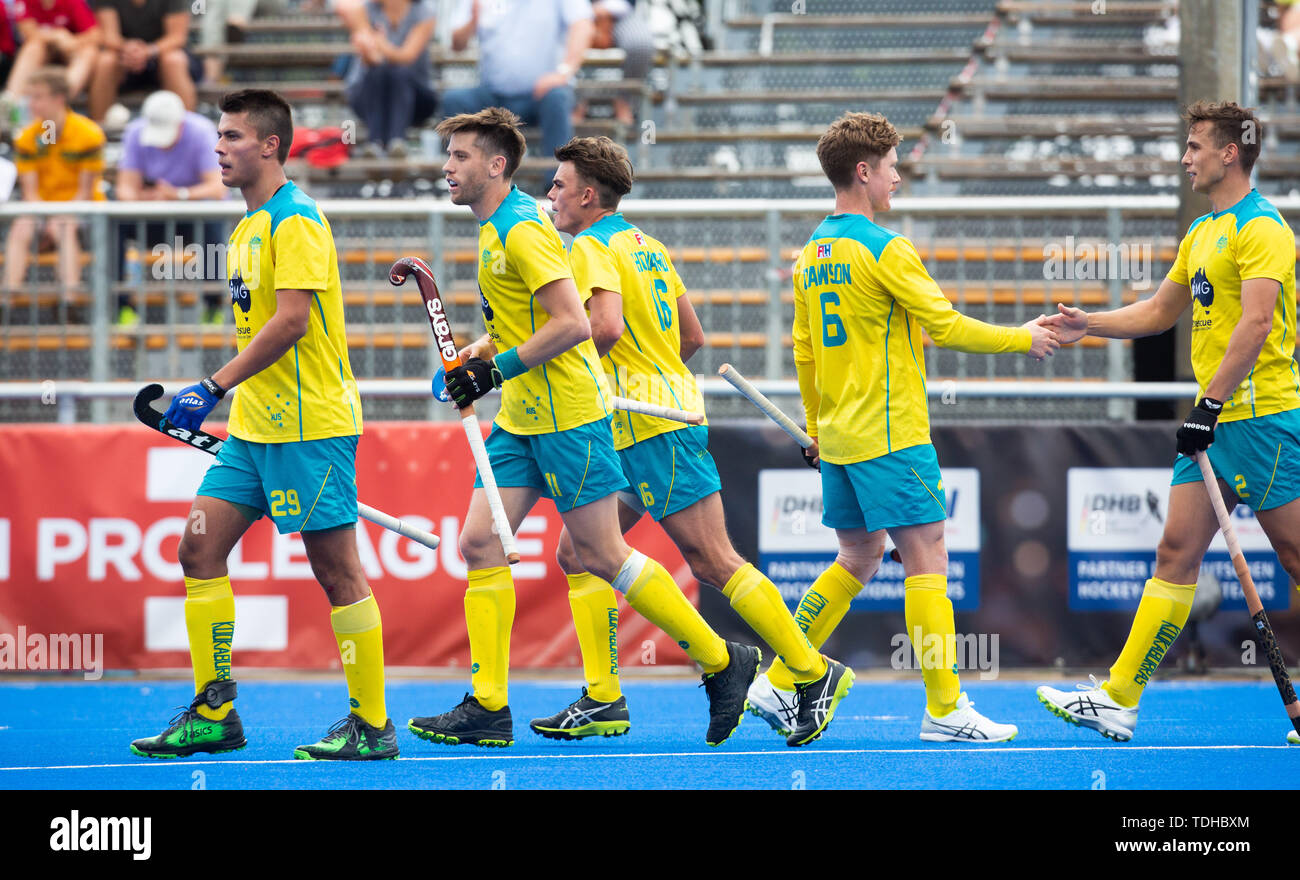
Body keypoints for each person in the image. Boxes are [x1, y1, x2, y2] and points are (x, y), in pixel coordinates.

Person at [407, 108, 759, 749]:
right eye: (448, 156)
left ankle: (720, 660)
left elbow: (573, 323)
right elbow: (524, 321)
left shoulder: (521, 230)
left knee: (601, 554)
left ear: (495, 165)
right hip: (521, 420)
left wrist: (495, 370)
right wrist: (478, 359)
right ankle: (489, 705)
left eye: (459, 157)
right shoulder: (496, 231)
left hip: (570, 418)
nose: (447, 168)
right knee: (480, 544)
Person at [746, 110, 1059, 743]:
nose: (897, 180)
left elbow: (805, 353)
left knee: (858, 556)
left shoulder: (811, 252)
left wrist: (816, 427)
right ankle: (945, 708)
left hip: (838, 436)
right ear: (863, 172)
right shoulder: (886, 248)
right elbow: (946, 325)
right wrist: (1020, 338)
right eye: (891, 168)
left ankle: (781, 676)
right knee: (927, 558)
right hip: (891, 434)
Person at [532, 135, 852, 747]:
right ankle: (603, 696)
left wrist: (583, 379)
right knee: (579, 554)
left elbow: (602, 328)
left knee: (712, 560)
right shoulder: (648, 245)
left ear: (588, 194)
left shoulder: (590, 247)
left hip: (650, 425)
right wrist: (658, 375)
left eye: (557, 185)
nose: (550, 196)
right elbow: (693, 335)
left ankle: (813, 673)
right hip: (644, 420)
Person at [129, 89, 396, 761]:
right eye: (217, 136)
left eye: (232, 137)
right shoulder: (246, 227)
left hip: (310, 427)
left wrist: (213, 384)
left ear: (271, 146)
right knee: (198, 550)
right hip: (253, 430)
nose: (217, 147)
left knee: (337, 573)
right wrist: (229, 395)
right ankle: (215, 713)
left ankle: (372, 725)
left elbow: (291, 322)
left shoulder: (294, 220)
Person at [1037, 101, 1300, 744]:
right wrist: (1087, 325)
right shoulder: (1203, 232)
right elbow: (1160, 311)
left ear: (1229, 153)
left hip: (1261, 419)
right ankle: (1119, 700)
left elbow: (1257, 324)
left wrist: (1208, 405)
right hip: (1212, 424)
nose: (1185, 157)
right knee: (1175, 553)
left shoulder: (1263, 229)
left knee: (1296, 556)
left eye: (1194, 146)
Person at [114, 89, 226, 326]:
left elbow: (217, 189)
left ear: (181, 124)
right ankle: (121, 306)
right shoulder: (135, 132)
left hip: (192, 216)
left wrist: (178, 196)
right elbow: (125, 189)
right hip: (153, 216)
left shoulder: (201, 131)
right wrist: (148, 199)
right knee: (115, 224)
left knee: (212, 220)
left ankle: (213, 304)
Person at [441, 0, 592, 165]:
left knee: (558, 97)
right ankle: (461, 177)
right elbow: (457, 44)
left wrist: (564, 72)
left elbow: (583, 25)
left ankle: (557, 181)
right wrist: (472, 21)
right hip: (492, 96)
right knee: (454, 100)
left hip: (539, 96)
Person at [3, 66, 103, 302]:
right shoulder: (29, 137)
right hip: (43, 210)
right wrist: (46, 216)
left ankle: (69, 299)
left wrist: (57, 216)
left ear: (58, 99)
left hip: (83, 212)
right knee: (21, 227)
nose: (31, 104)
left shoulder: (87, 134)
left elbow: (84, 193)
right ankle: (7, 299)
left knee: (64, 226)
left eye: (37, 97)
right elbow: (31, 192)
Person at [342, 0, 436, 157]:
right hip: (370, 93)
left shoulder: (424, 12)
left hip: (415, 98)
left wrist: (380, 44)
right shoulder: (363, 10)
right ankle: (383, 143)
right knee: (378, 72)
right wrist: (373, 51)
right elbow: (372, 59)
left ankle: (389, 142)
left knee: (399, 72)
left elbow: (407, 56)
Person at [89, 0, 197, 122]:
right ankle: (98, 129)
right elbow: (109, 36)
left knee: (173, 60)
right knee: (106, 61)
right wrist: (128, 49)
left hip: (162, 58)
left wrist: (148, 51)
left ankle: (188, 128)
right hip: (124, 59)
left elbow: (177, 37)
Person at [1, 0, 99, 105]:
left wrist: (72, 41)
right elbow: (29, 32)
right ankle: (12, 100)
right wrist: (56, 36)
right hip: (43, 50)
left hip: (70, 50)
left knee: (89, 52)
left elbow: (95, 35)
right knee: (34, 47)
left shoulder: (72, 2)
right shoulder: (25, 2)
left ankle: (61, 99)